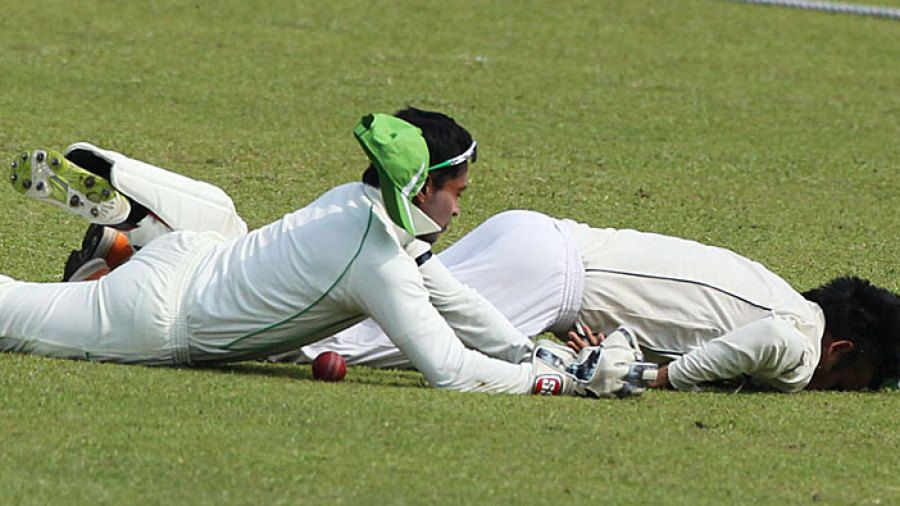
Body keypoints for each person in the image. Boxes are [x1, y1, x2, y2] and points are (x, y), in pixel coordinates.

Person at [2, 108, 624, 397]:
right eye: (456, 193)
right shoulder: (377, 259)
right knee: (11, 315)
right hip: (160, 320)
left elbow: (456, 299)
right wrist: (549, 381)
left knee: (223, 213)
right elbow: (448, 369)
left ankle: (126, 220)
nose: (460, 208)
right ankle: (122, 236)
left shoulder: (355, 198)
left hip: (197, 252)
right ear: (422, 186)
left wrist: (527, 349)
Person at [294, 210, 900, 392]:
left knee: (377, 292)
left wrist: (615, 345)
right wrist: (662, 378)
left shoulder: (780, 291)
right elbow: (767, 345)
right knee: (365, 345)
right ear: (841, 349)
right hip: (552, 277)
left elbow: (673, 315)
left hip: (540, 238)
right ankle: (225, 320)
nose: (854, 392)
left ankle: (263, 264)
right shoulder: (798, 347)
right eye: (864, 379)